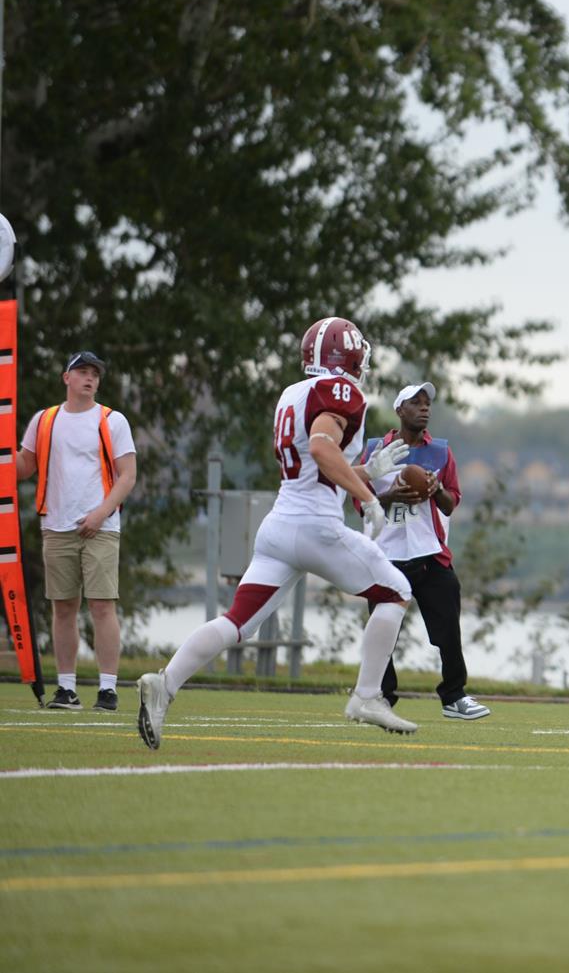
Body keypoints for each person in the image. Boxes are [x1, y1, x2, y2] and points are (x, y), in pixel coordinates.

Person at [135, 317, 418, 748]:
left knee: (236, 622)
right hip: (316, 528)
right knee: (396, 590)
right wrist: (369, 495)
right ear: (351, 355)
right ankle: (366, 696)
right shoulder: (340, 392)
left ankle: (165, 683)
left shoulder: (292, 394)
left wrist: (366, 471)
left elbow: (313, 466)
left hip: (279, 526)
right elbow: (323, 448)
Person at [357, 382, 488, 720]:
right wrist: (389, 498)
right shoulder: (375, 449)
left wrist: (435, 488)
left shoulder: (441, 452)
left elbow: (451, 502)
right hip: (384, 555)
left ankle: (454, 697)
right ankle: (380, 697)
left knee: (448, 629)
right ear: (400, 410)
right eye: (416, 403)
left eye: (427, 403)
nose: (424, 408)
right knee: (382, 632)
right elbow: (358, 499)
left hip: (429, 553)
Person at [17, 351, 138, 711]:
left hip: (100, 526)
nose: (90, 379)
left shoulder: (112, 421)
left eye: (95, 374)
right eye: (82, 372)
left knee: (102, 605)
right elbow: (24, 465)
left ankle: (108, 689)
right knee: (63, 607)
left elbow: (127, 475)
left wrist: (101, 513)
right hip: (56, 524)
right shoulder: (45, 420)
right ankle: (66, 688)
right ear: (65, 377)